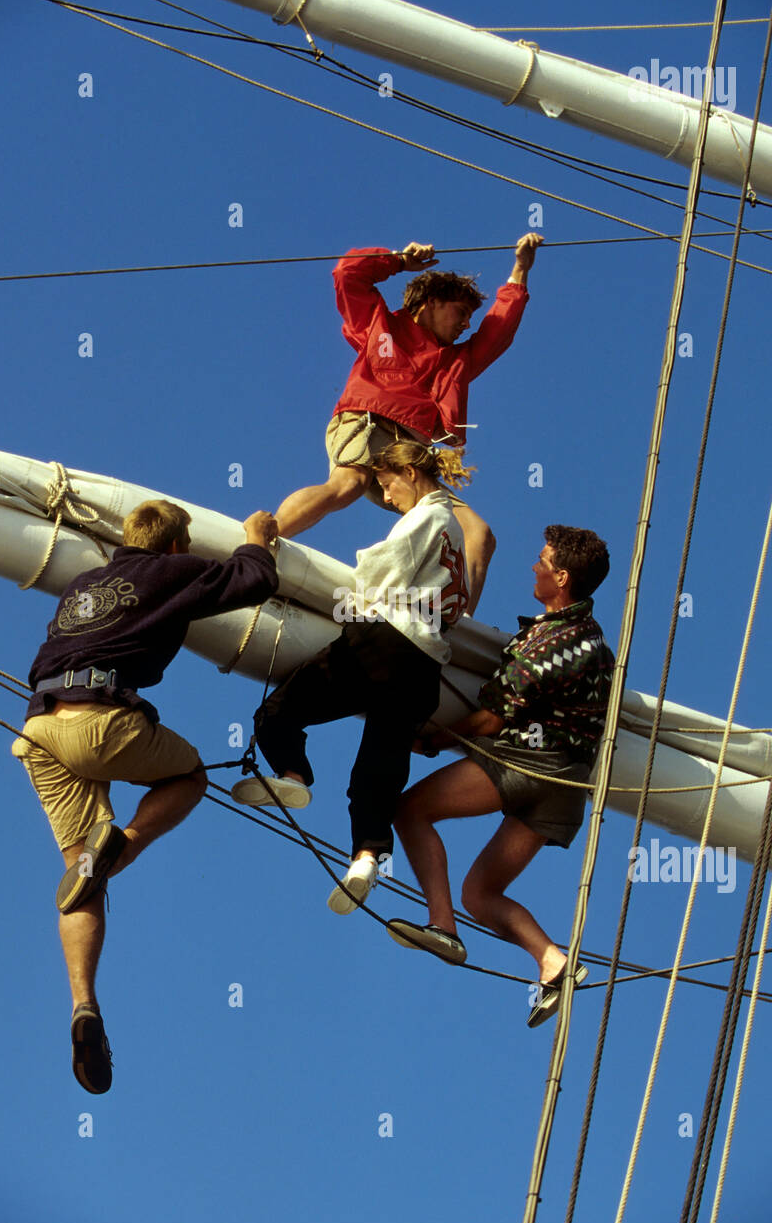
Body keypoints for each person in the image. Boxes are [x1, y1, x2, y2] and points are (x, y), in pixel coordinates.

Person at [12, 499, 279, 1094]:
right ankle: (124, 845)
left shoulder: (83, 583)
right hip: (103, 724)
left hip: (40, 729)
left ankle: (84, 1006)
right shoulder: (173, 571)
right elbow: (256, 578)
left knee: (81, 874)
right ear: (179, 545)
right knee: (189, 780)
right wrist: (258, 537)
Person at [389, 525, 614, 1028]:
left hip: (531, 764)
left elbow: (490, 720)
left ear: (561, 576)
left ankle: (442, 927)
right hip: (566, 788)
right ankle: (553, 963)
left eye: (541, 560)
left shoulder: (553, 642)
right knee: (481, 894)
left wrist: (432, 738)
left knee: (408, 809)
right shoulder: (594, 641)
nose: (533, 567)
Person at [233, 440, 472, 914]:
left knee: (279, 712)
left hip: (382, 644)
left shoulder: (429, 516)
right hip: (424, 667)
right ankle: (366, 857)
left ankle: (293, 774)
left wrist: (355, 589)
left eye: (387, 484)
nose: (387, 497)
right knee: (378, 772)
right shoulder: (455, 535)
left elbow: (386, 567)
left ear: (409, 472)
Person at [274, 233, 543, 614]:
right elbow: (347, 273)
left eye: (470, 317)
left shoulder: (457, 362)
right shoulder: (380, 325)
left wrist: (520, 270)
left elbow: (498, 331)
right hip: (367, 423)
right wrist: (397, 261)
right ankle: (262, 541)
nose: (467, 323)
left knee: (479, 535)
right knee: (348, 483)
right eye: (460, 312)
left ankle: (458, 623)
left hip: (412, 454)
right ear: (431, 303)